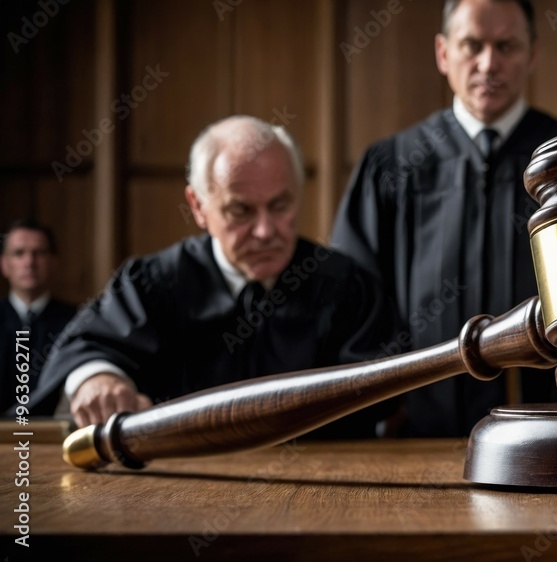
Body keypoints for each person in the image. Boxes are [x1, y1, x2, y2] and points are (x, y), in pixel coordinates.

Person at [32, 115, 395, 437]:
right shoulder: (155, 283)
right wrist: (97, 378)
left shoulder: (345, 285)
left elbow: (379, 396)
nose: (266, 231)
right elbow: (88, 347)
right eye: (241, 210)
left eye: (280, 205)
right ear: (198, 206)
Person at [331, 0, 557, 437]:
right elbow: (355, 303)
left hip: (551, 434)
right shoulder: (392, 165)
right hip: (418, 434)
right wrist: (384, 409)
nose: (489, 63)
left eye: (506, 46)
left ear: (533, 54)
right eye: (472, 45)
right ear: (443, 53)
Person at [1, 219, 78, 415]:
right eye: (19, 253)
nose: (29, 262)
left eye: (39, 253)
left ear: (53, 262)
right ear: (4, 264)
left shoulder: (77, 322)